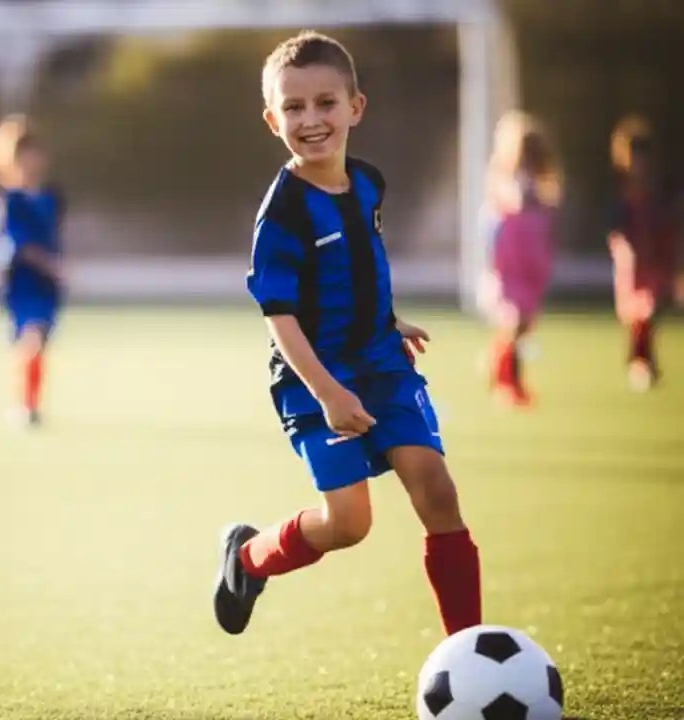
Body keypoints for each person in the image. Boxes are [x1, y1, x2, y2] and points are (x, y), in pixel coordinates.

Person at [213, 31, 481, 638]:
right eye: (294, 108)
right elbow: (280, 316)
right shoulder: (280, 215)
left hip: (382, 364)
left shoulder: (367, 184)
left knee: (436, 489)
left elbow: (362, 263)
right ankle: (250, 557)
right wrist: (329, 393)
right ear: (271, 119)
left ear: (355, 107)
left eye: (326, 103)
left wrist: (387, 320)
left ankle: (466, 652)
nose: (311, 120)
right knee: (350, 524)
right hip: (313, 379)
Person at [0, 115, 64, 427]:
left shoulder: (51, 197)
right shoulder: (5, 202)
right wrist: (51, 265)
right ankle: (26, 407)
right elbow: (17, 243)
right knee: (30, 340)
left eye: (34, 153)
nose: (30, 161)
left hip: (47, 285)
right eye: (21, 155)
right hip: (22, 283)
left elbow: (53, 236)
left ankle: (28, 404)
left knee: (36, 344)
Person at [481, 111, 561, 407]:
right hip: (510, 266)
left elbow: (546, 222)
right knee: (514, 321)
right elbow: (496, 221)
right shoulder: (505, 183)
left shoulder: (542, 187)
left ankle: (502, 368)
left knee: (525, 325)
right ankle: (507, 381)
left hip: (532, 265)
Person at [607, 115, 678, 391]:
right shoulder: (621, 192)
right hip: (632, 262)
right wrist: (624, 249)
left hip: (656, 259)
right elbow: (616, 227)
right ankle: (641, 362)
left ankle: (642, 359)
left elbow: (667, 223)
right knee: (639, 311)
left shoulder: (659, 191)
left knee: (653, 309)